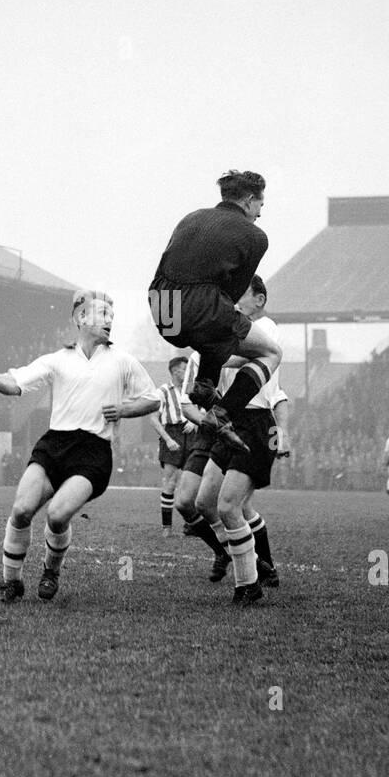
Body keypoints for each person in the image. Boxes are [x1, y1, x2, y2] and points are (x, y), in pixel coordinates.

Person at [0, 289, 159, 603]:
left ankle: (51, 571)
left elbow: (152, 398)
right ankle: (11, 583)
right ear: (80, 318)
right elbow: (15, 383)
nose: (109, 320)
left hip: (93, 452)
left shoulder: (123, 361)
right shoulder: (58, 360)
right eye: (101, 314)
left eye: (111, 315)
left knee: (57, 516)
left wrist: (125, 409)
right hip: (55, 444)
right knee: (21, 510)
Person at [149, 170, 283, 453]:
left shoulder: (191, 217)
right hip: (199, 309)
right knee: (270, 352)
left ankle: (204, 386)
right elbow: (233, 294)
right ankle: (220, 414)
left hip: (162, 308)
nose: (259, 213)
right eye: (260, 205)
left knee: (215, 326)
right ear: (248, 200)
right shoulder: (255, 236)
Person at [178, 276, 289, 605]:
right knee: (203, 502)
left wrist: (208, 354)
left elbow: (248, 359)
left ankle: (248, 584)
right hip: (228, 424)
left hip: (255, 424)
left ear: (260, 300)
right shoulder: (230, 332)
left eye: (239, 296)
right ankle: (256, 566)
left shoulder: (266, 328)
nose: (234, 303)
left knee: (230, 505)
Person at [149, 356, 197, 537]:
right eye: (184, 369)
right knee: (170, 481)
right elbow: (153, 418)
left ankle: (191, 526)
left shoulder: (192, 389)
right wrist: (168, 439)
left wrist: (196, 422)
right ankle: (166, 527)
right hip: (172, 432)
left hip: (191, 433)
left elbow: (204, 409)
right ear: (176, 371)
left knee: (191, 482)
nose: (187, 372)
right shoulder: (162, 391)